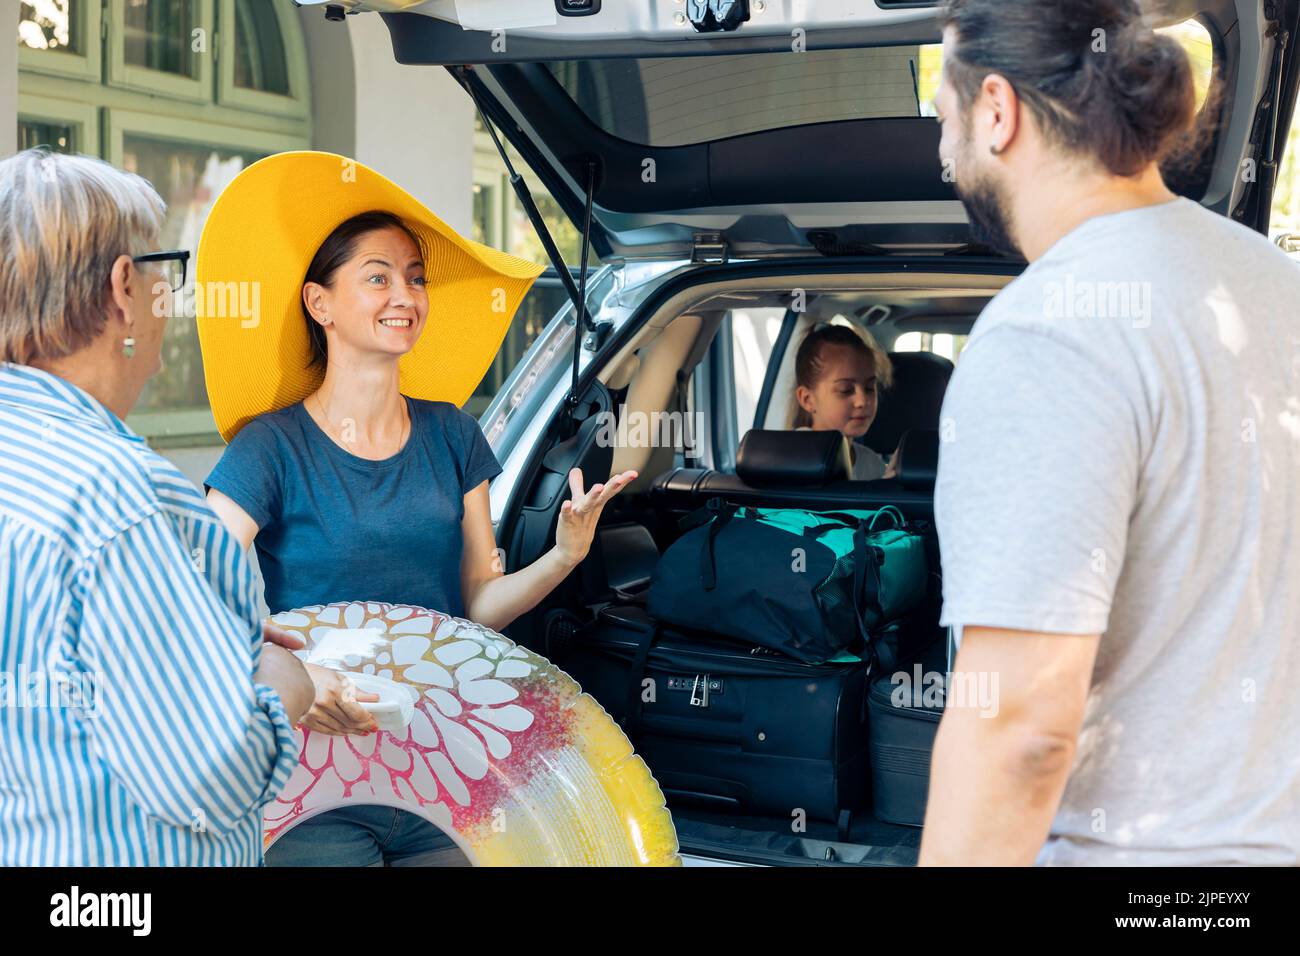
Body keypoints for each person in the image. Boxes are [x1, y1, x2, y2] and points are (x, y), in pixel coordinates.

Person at [921, 0, 1300, 865]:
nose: (942, 153)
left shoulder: (1046, 332)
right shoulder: (1275, 285)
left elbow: (1019, 727)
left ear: (995, 110)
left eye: (943, 120)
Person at [197, 152, 637, 866]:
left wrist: (565, 555)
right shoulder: (269, 449)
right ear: (320, 304)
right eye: (378, 276)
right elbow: (195, 586)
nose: (406, 293)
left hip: (439, 762)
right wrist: (281, 675)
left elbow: (477, 609)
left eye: (416, 277)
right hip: (314, 775)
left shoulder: (453, 435)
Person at [0, 147, 314, 866]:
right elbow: (214, 769)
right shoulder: (113, 495)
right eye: (166, 272)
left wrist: (200, 634)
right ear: (122, 290)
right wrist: (278, 681)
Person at [790, 322, 898, 479]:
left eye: (869, 388)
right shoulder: (792, 457)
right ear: (807, 399)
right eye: (845, 390)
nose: (862, 401)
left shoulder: (872, 463)